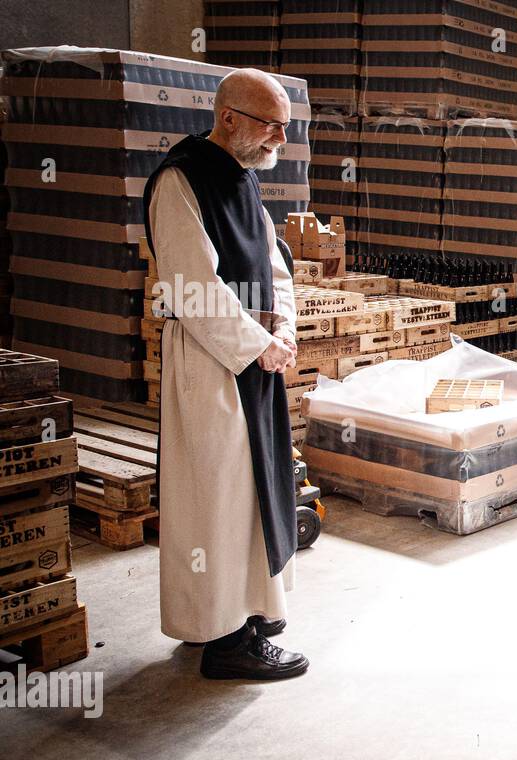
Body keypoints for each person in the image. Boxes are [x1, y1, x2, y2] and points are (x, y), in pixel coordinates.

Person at [143, 68, 307, 680]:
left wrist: (282, 330)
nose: (278, 141)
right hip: (212, 363)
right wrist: (254, 344)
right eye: (271, 126)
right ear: (229, 117)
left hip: (254, 356)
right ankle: (222, 639)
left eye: (285, 129)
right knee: (216, 501)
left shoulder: (242, 181)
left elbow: (275, 266)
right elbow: (191, 285)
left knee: (255, 492)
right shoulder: (181, 180)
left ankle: (246, 614)